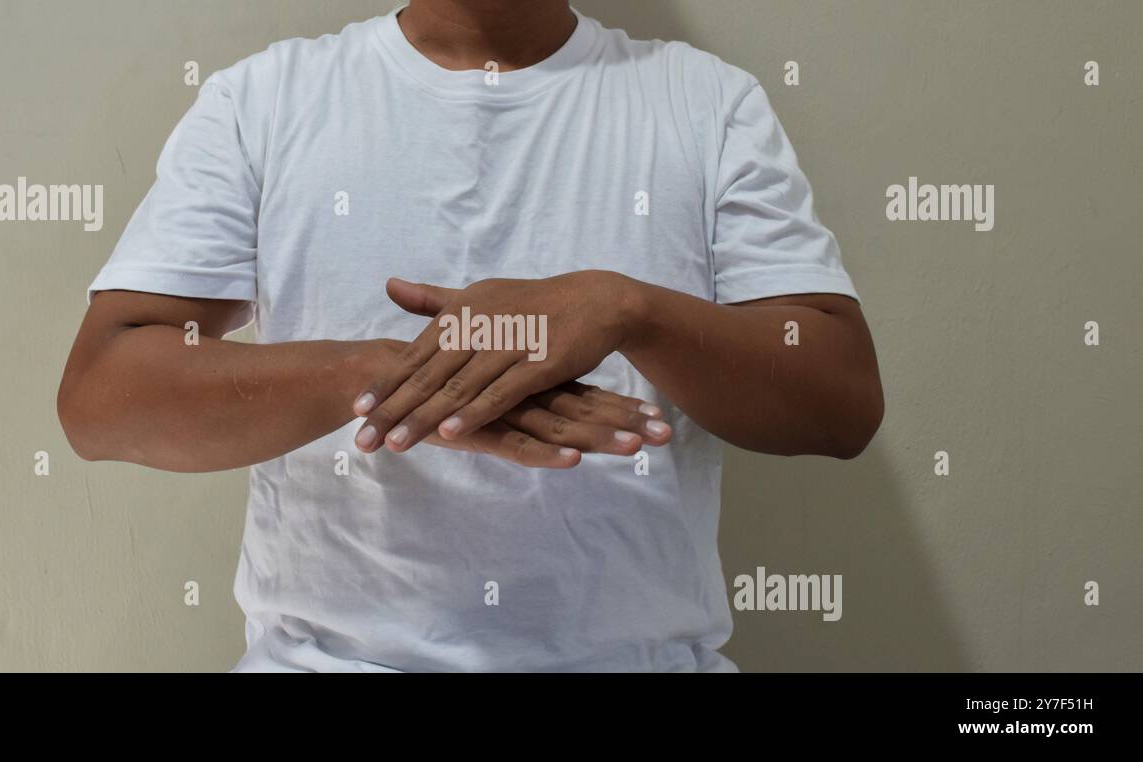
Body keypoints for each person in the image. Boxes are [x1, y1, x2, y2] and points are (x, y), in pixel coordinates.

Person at [58, 0, 883, 672]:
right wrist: (391, 374)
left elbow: (839, 400)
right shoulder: (265, 100)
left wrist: (625, 308)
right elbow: (103, 395)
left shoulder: (706, 102)